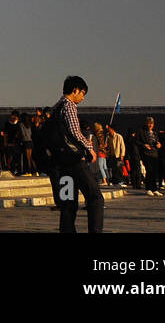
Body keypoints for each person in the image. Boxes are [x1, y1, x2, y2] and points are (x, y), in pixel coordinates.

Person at [42, 75, 103, 233]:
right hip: (74, 161)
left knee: (68, 203)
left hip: (59, 163)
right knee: (95, 197)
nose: (83, 97)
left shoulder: (56, 107)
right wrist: (89, 147)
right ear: (75, 90)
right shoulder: (69, 105)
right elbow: (75, 132)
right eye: (82, 93)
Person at [140, 117, 162, 196]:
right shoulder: (142, 131)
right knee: (149, 171)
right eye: (149, 123)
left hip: (154, 154)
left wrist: (159, 144)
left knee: (154, 171)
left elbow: (157, 141)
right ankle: (148, 188)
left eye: (151, 123)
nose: (150, 125)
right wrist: (144, 145)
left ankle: (154, 188)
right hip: (147, 153)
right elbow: (136, 141)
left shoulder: (155, 133)